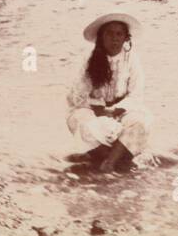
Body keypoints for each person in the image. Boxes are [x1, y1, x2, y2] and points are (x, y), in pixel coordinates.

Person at [65, 12, 152, 172]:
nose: (114, 38)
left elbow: (136, 94)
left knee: (141, 122)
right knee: (78, 120)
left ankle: (109, 162)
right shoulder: (90, 59)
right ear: (101, 37)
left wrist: (116, 109)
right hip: (94, 110)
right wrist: (99, 109)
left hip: (121, 111)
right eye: (109, 33)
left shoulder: (132, 59)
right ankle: (115, 159)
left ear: (126, 38)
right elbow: (77, 95)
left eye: (119, 34)